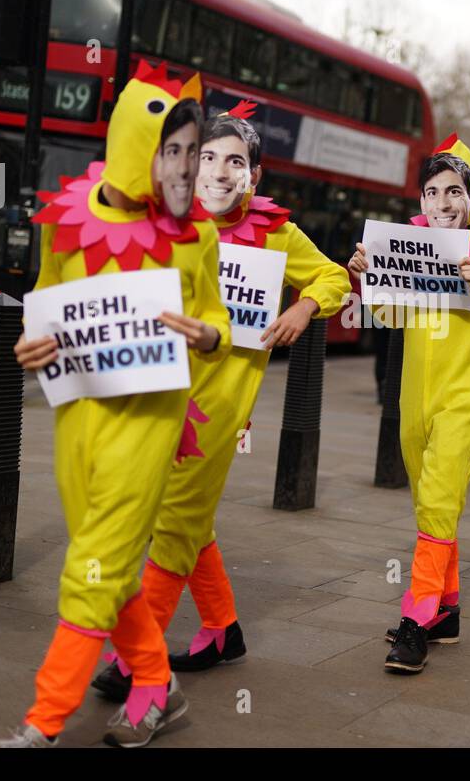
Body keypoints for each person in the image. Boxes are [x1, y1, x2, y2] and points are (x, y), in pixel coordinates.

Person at [0, 65, 230, 748]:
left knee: (92, 565)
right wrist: (29, 344)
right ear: (132, 141)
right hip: (78, 417)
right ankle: (156, 685)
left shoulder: (197, 235)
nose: (181, 165)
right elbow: (41, 302)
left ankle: (44, 721)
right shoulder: (67, 219)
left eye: (189, 150)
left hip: (151, 421)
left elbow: (216, 318)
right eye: (170, 149)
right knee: (109, 559)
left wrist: (208, 334)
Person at [90, 101, 351, 701]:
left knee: (176, 519)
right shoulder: (172, 220)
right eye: (207, 156)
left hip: (221, 401)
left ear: (254, 176)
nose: (219, 170)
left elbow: (333, 277)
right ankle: (223, 627)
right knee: (183, 516)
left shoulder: (276, 232)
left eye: (235, 160)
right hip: (158, 391)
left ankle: (136, 659)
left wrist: (303, 306)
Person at [349, 134, 470, 674]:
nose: (443, 202)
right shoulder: (409, 246)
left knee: (438, 500)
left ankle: (416, 621)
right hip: (414, 397)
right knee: (431, 501)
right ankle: (447, 611)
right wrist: (369, 282)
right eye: (432, 193)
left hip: (466, 396)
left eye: (454, 191)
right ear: (423, 202)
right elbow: (388, 321)